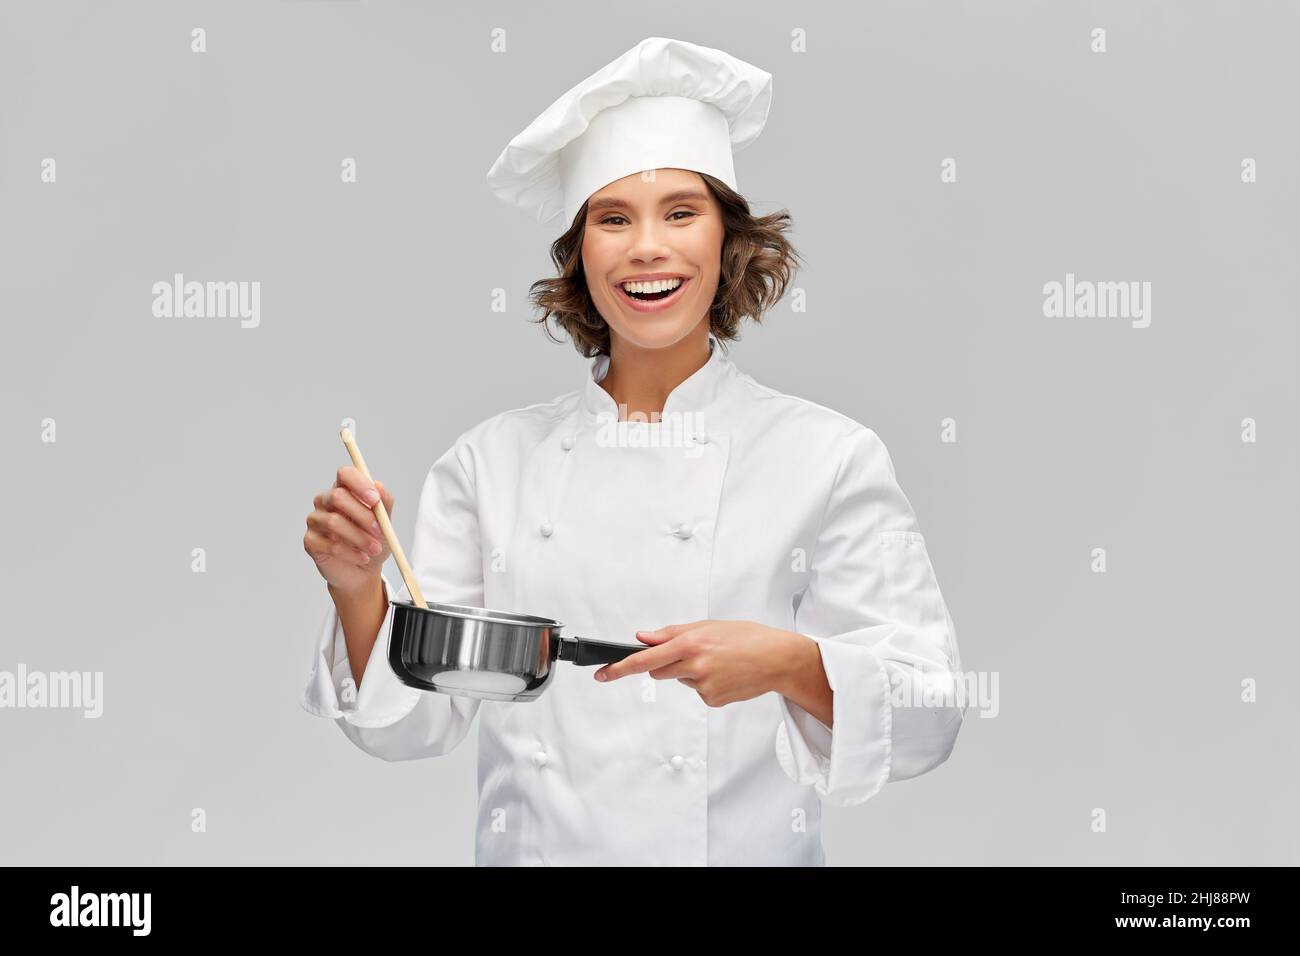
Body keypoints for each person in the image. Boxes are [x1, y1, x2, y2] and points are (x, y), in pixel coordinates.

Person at [300, 36, 965, 866]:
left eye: (681, 213)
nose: (648, 246)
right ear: (581, 252)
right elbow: (412, 722)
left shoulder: (827, 457)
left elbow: (931, 713)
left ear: (729, 238)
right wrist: (357, 586)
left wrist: (792, 665)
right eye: (614, 219)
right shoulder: (491, 462)